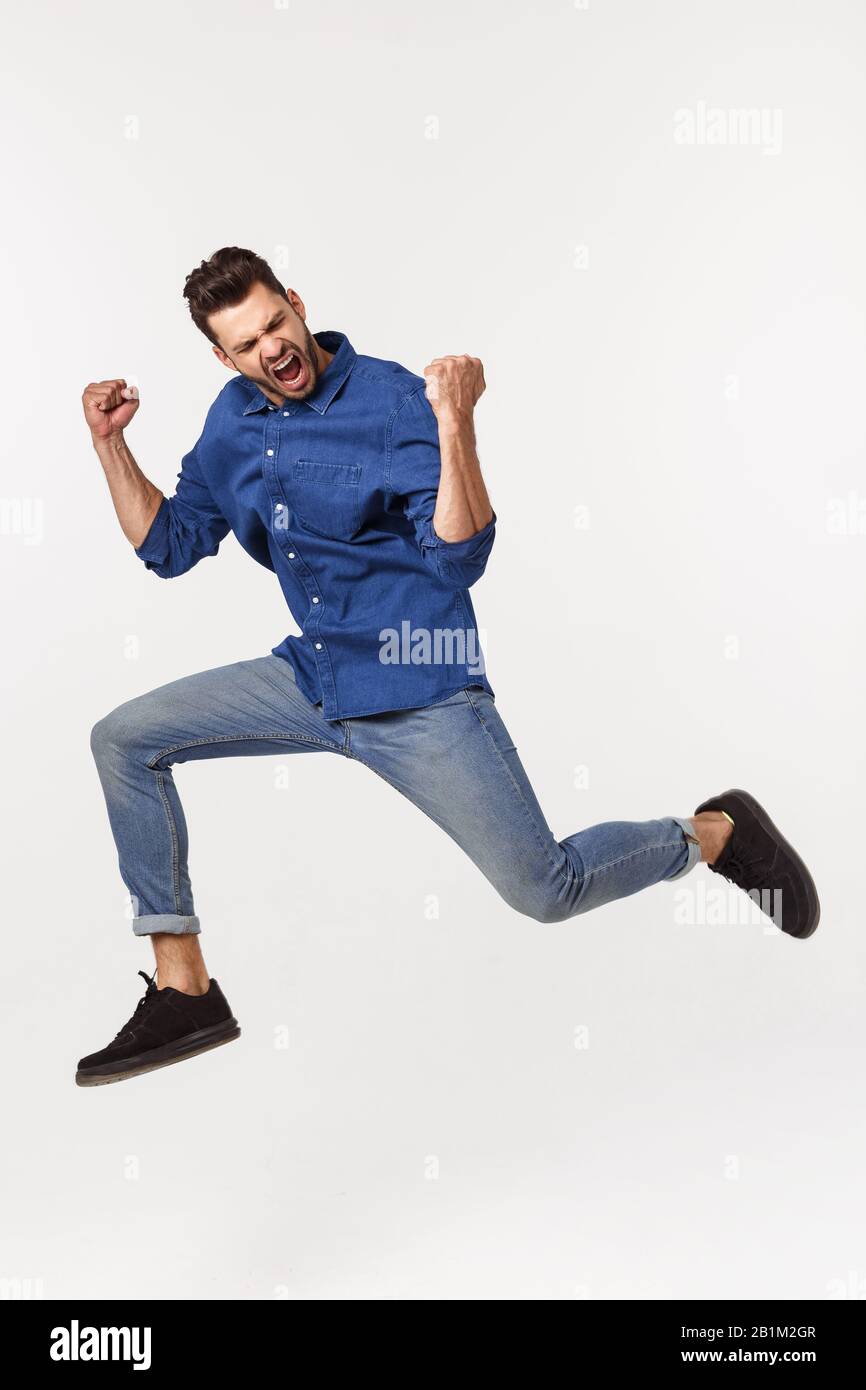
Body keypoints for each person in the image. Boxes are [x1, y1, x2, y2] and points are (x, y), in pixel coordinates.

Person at [77, 247, 820, 1087]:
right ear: (223, 358)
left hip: (418, 687)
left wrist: (456, 425)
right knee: (124, 740)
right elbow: (169, 546)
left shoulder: (395, 401)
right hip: (314, 678)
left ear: (295, 301)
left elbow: (462, 559)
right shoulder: (232, 420)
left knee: (547, 889)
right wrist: (109, 447)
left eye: (276, 325)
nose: (272, 352)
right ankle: (186, 987)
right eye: (246, 346)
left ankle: (714, 835)